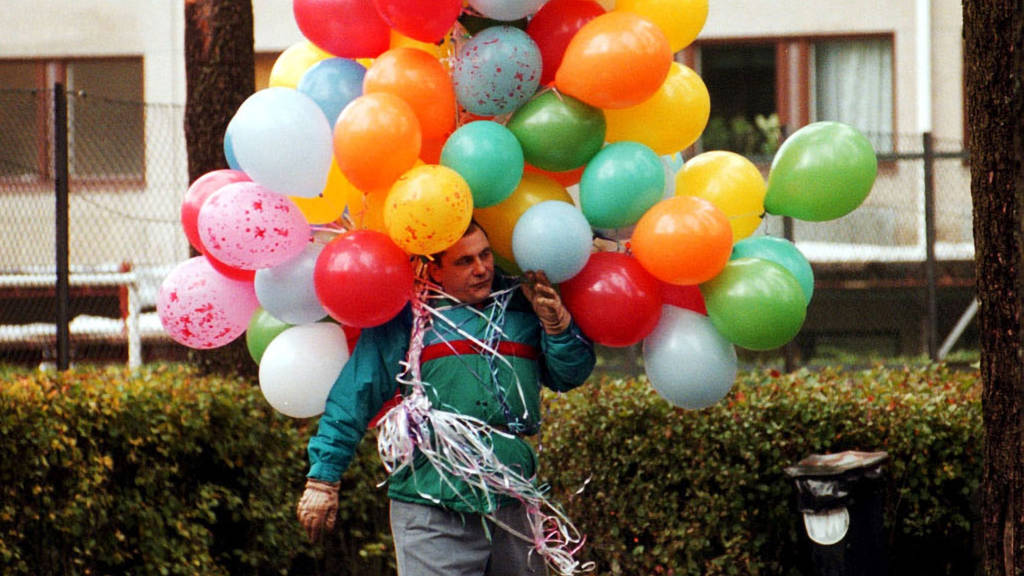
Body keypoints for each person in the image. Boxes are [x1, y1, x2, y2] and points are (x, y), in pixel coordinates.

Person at [296, 221, 596, 576]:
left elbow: (568, 376)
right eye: (464, 262)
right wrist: (323, 479)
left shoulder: (524, 305)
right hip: (432, 505)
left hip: (512, 502)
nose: (481, 269)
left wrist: (558, 328)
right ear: (433, 268)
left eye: (485, 255)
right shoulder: (407, 314)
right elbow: (356, 393)